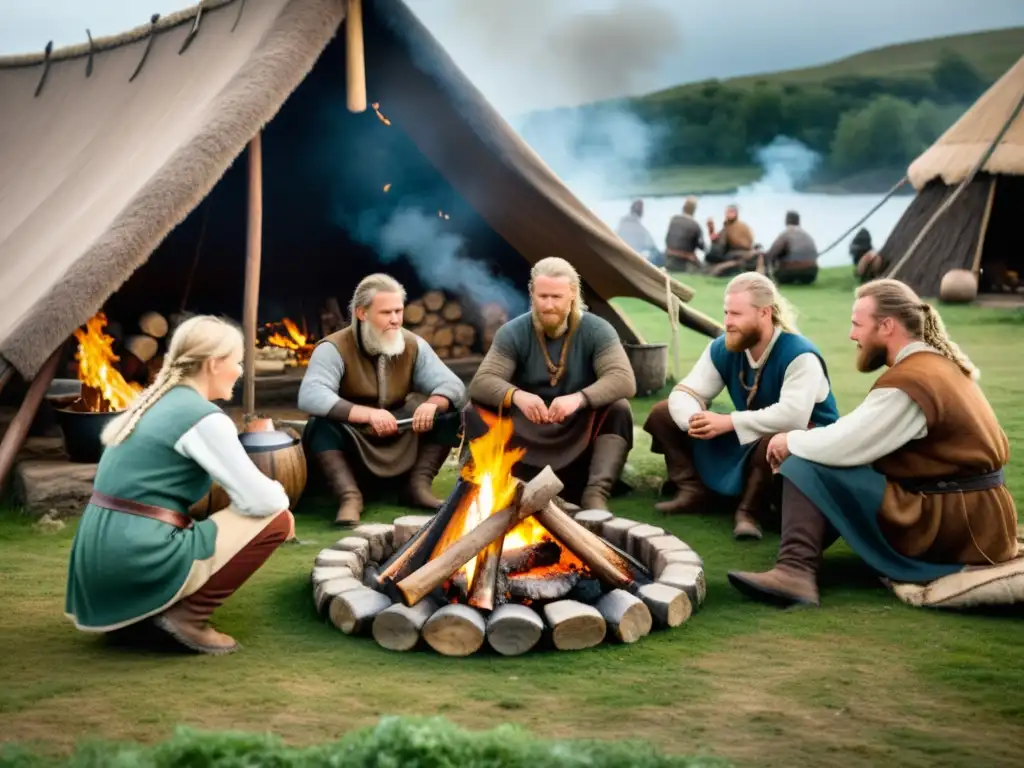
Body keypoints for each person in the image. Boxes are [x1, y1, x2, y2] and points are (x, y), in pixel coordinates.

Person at [729, 279, 1019, 607]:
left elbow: (846, 443)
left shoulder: (912, 381)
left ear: (887, 326)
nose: (852, 335)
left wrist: (790, 440)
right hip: (975, 516)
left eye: (857, 325)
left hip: (957, 523)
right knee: (820, 456)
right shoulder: (933, 367)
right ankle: (796, 551)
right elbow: (860, 435)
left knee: (805, 463)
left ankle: (795, 572)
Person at [64, 316, 294, 655]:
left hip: (96, 560)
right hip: (131, 559)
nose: (240, 371)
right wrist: (279, 494)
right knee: (277, 517)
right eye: (237, 362)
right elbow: (260, 501)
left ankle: (140, 615)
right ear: (214, 364)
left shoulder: (154, 402)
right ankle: (187, 618)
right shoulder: (202, 416)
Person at [644, 272, 839, 540]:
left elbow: (793, 417)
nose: (727, 323)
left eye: (736, 314)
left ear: (764, 313)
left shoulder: (800, 355)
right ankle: (693, 490)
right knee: (663, 413)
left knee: (775, 439)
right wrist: (694, 420)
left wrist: (728, 422)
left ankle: (749, 512)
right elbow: (687, 392)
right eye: (726, 313)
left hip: (804, 446)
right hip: (754, 436)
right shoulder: (723, 348)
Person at [465, 256, 636, 510]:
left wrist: (579, 398)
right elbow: (481, 382)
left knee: (619, 409)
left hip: (578, 426)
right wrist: (517, 396)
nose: (548, 305)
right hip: (527, 428)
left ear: (573, 295)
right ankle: (496, 484)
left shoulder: (597, 330)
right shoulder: (513, 331)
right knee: (476, 409)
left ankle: (595, 494)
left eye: (556, 297)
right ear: (531, 294)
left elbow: (623, 380)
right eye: (542, 296)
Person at [298, 274, 467, 525]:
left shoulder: (412, 344)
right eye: (386, 312)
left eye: (398, 311)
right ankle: (349, 497)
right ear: (362, 313)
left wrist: (433, 404)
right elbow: (311, 395)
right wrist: (367, 414)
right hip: (355, 433)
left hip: (400, 428)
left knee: (450, 414)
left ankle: (417, 486)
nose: (395, 320)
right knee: (320, 427)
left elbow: (454, 386)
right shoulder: (333, 348)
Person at [766, 211, 819, 285]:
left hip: (790, 273)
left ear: (786, 221)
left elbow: (771, 254)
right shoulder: (807, 235)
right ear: (798, 221)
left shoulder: (785, 234)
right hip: (811, 274)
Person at [664, 197, 706, 272]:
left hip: (669, 258)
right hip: (685, 261)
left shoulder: (674, 220)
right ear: (694, 209)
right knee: (703, 268)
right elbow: (702, 247)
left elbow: (667, 239)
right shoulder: (695, 225)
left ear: (683, 207)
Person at [616, 199, 662, 266]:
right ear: (641, 212)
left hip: (620, 257)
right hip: (634, 260)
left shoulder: (620, 226)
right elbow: (653, 247)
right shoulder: (641, 229)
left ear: (631, 209)